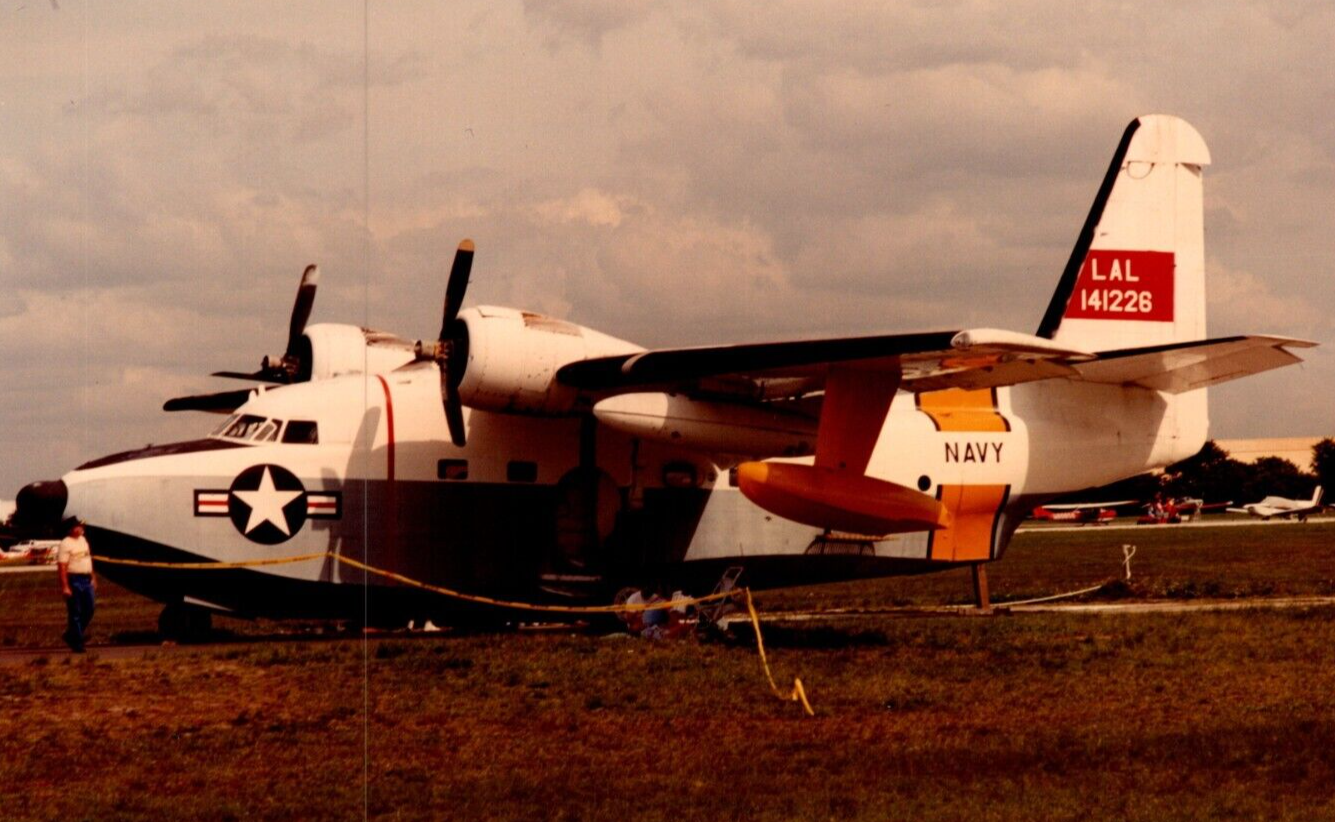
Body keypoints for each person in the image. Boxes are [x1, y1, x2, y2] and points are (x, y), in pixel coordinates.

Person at [57, 519, 95, 653]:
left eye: (81, 526)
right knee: (75, 611)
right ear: (70, 529)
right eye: (77, 527)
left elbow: (88, 559)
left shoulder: (83, 540)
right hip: (74, 579)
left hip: (86, 578)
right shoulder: (65, 543)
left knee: (90, 609)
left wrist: (93, 577)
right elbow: (62, 566)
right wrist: (65, 586)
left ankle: (71, 635)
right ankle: (77, 642)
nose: (80, 529)